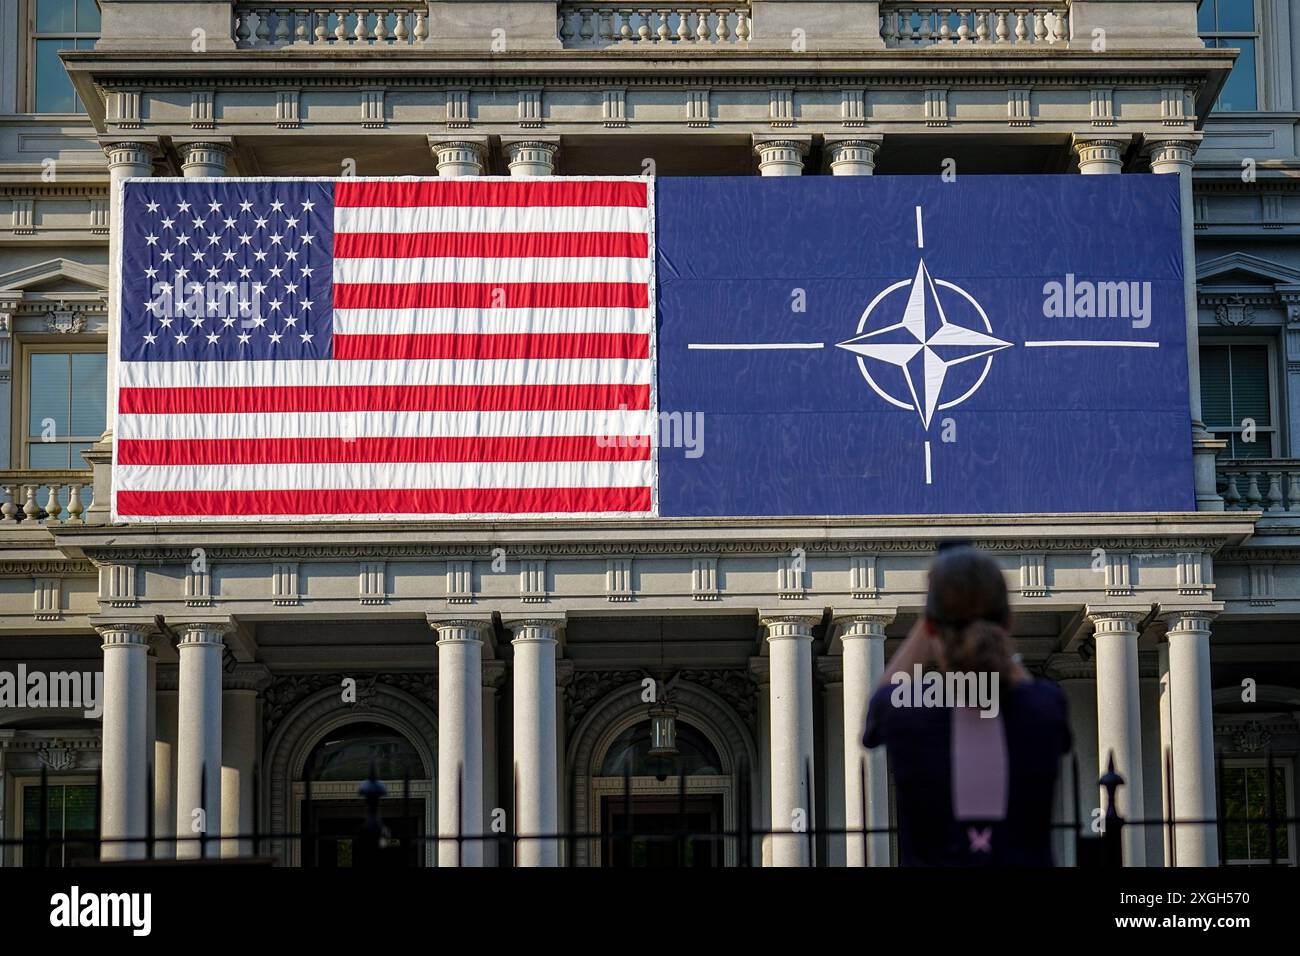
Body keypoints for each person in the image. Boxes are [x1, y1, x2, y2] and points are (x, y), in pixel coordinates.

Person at [863, 544, 1071, 866]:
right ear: (1007, 622)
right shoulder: (1045, 707)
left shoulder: (905, 712)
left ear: (932, 626)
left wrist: (931, 615)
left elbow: (878, 707)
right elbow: (1031, 692)